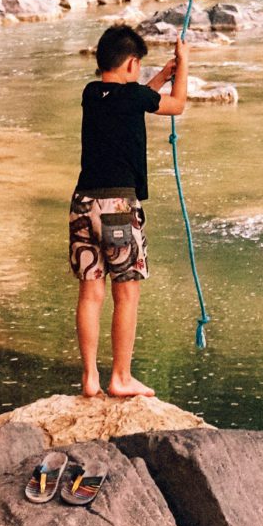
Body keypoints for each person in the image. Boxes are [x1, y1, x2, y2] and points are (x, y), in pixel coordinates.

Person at [70, 22, 188, 398]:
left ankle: (90, 378)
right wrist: (181, 67)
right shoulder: (134, 98)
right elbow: (177, 105)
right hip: (118, 206)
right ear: (132, 64)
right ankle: (120, 377)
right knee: (126, 292)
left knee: (90, 293)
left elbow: (134, 100)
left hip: (82, 204)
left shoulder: (92, 94)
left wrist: (159, 76)